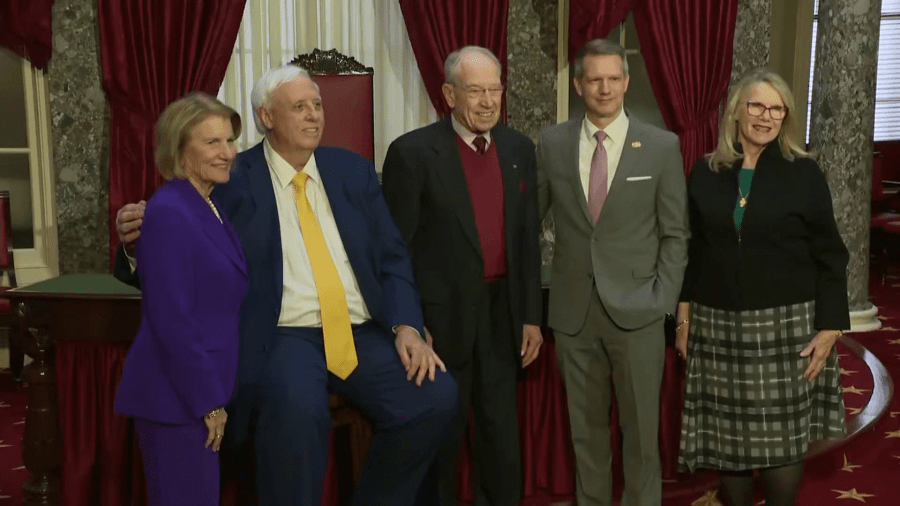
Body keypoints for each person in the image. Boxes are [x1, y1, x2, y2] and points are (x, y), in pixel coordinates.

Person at [113, 65, 458, 506]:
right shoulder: (228, 177)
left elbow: (393, 258)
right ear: (266, 117)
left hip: (360, 329)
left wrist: (407, 326)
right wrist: (130, 244)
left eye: (317, 105)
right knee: (296, 413)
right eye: (299, 107)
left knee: (435, 396)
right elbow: (175, 262)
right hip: (281, 335)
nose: (314, 115)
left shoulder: (353, 171)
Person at [675, 68, 849, 506]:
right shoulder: (705, 172)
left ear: (786, 117)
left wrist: (831, 325)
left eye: (776, 108)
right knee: (729, 441)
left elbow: (832, 254)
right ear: (737, 111)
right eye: (757, 105)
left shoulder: (804, 174)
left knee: (780, 442)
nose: (766, 116)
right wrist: (683, 316)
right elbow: (693, 251)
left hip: (785, 325)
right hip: (717, 324)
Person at [381, 46, 543, 506]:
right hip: (439, 325)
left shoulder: (517, 149)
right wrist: (412, 323)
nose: (489, 101)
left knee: (501, 446)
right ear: (450, 93)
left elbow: (527, 241)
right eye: (476, 91)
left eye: (495, 90)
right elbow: (396, 253)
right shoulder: (412, 153)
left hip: (502, 318)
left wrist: (531, 315)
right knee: (442, 448)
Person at [535, 39, 689, 506]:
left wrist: (662, 301)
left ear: (626, 82)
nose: (604, 88)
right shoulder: (552, 143)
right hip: (573, 315)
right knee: (586, 438)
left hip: (639, 314)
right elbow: (531, 223)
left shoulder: (662, 146)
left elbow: (676, 234)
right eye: (594, 79)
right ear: (579, 84)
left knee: (641, 439)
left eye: (613, 78)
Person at [114, 92, 246, 506]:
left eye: (229, 141)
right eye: (212, 143)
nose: (227, 153)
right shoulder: (170, 212)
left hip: (194, 395)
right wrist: (208, 402)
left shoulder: (206, 204)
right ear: (179, 150)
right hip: (177, 400)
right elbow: (173, 320)